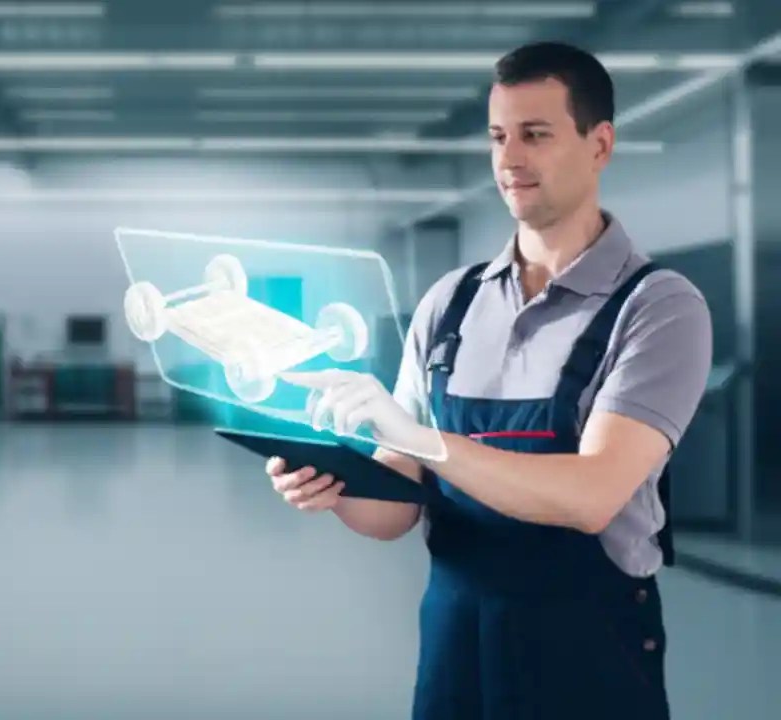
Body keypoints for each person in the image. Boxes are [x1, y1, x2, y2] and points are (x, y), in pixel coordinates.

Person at [268, 41, 712, 720]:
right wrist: (336, 489)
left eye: (536, 135)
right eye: (499, 136)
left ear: (600, 146)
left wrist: (418, 435)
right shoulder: (449, 304)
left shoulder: (658, 306)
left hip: (588, 656)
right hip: (455, 649)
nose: (509, 160)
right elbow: (397, 506)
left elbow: (591, 496)